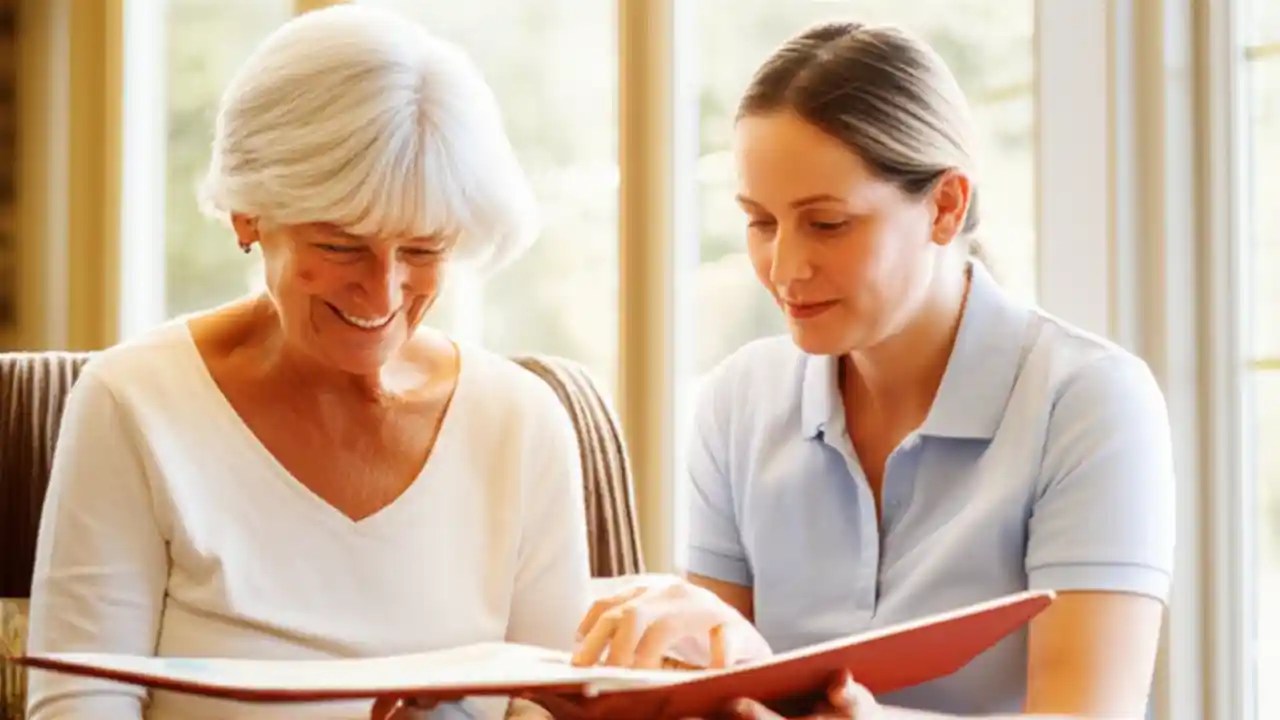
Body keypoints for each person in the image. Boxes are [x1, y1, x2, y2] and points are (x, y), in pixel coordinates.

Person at [574, 21, 1175, 720]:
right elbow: (714, 689)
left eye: (827, 224)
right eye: (761, 222)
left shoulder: (1088, 403)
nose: (784, 269)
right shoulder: (738, 402)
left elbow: (1087, 713)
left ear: (945, 207)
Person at [25, 6, 587, 720]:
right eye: (342, 245)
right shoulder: (133, 402)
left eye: (422, 249)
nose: (384, 293)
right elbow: (80, 703)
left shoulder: (521, 420)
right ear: (249, 214)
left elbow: (555, 704)